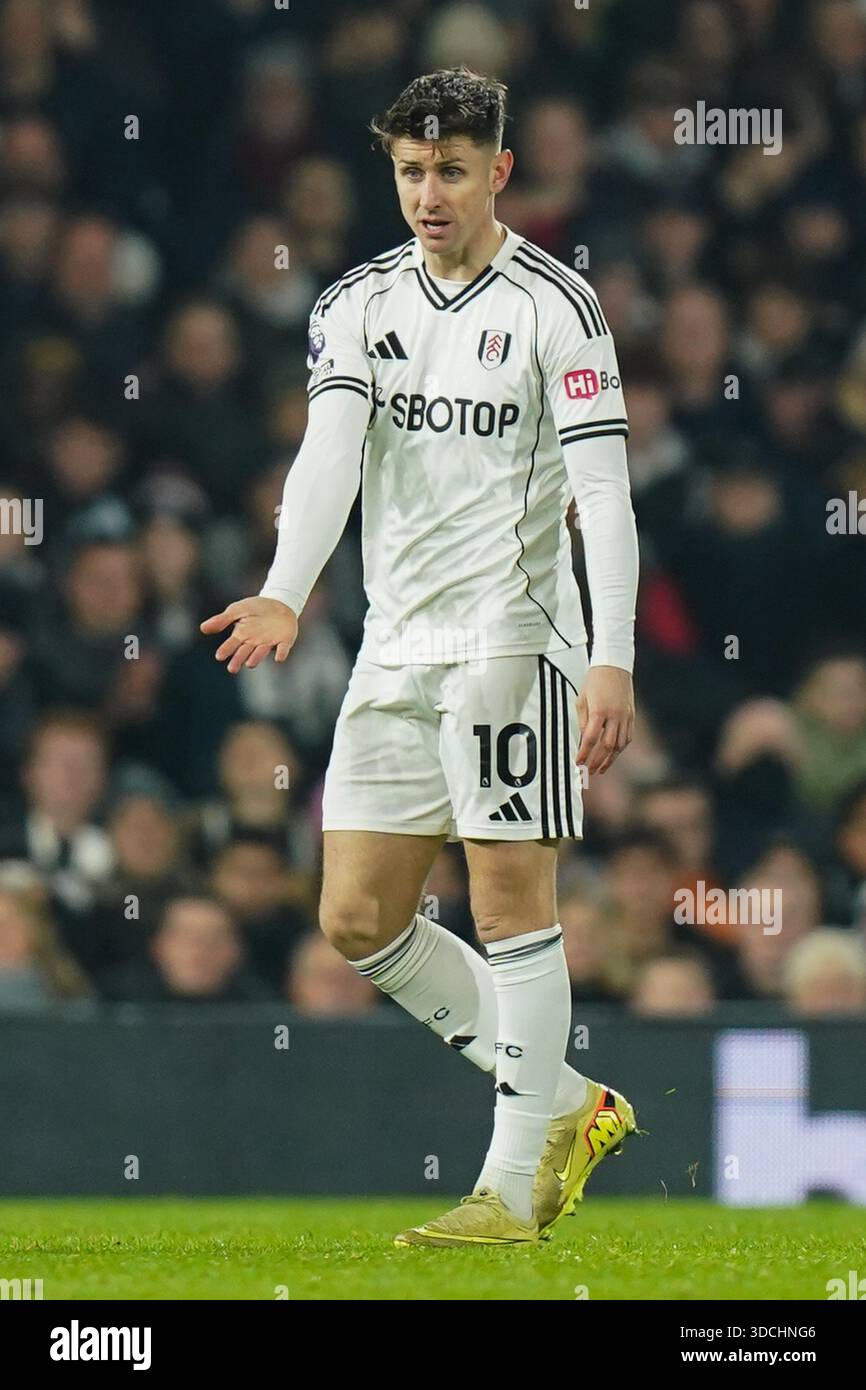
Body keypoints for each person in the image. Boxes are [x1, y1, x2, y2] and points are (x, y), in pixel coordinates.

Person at [201, 67, 639, 1249]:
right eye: (408, 171)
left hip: (511, 641)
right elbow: (326, 459)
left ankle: (504, 1193)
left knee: (509, 905)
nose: (427, 193)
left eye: (450, 171)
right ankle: (565, 1102)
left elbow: (602, 492)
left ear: (499, 169)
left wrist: (611, 657)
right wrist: (286, 591)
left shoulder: (558, 305)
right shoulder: (352, 303)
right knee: (354, 918)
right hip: (393, 646)